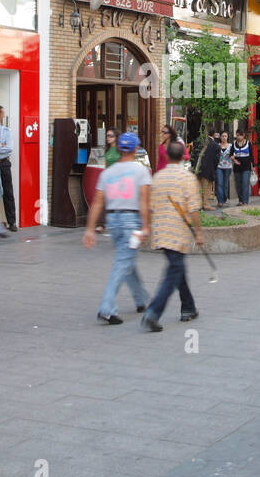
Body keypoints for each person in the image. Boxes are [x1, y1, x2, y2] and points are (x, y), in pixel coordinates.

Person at [83, 131, 151, 324]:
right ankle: (107, 308)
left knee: (126, 259)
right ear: (135, 149)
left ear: (119, 149)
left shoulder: (108, 173)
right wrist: (146, 226)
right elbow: (144, 202)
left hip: (113, 221)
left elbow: (97, 202)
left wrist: (90, 229)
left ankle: (141, 299)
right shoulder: (140, 171)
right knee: (123, 262)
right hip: (131, 220)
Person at [141, 139, 203, 331]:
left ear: (166, 156)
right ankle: (153, 312)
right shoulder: (187, 178)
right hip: (178, 233)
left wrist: (147, 227)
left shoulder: (157, 177)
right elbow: (193, 209)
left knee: (177, 269)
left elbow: (150, 207)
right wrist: (199, 233)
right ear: (184, 156)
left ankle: (188, 307)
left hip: (161, 232)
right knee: (173, 273)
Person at [196, 132, 220, 210]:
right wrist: (214, 167)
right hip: (209, 169)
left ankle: (199, 204)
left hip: (198, 169)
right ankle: (206, 204)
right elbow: (217, 159)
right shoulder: (215, 145)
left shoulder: (198, 142)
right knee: (208, 187)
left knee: (199, 186)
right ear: (213, 135)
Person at [232, 129, 253, 205]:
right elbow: (231, 155)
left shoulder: (248, 143)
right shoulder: (234, 144)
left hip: (246, 167)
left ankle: (245, 201)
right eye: (237, 135)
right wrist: (234, 160)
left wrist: (252, 166)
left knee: (245, 184)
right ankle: (240, 200)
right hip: (237, 167)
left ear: (243, 135)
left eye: (239, 135)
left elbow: (251, 156)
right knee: (238, 185)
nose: (238, 137)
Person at [215, 131, 233, 208]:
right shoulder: (217, 146)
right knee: (219, 183)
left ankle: (224, 197)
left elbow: (234, 155)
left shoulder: (231, 146)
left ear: (227, 137)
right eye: (223, 136)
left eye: (225, 136)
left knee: (225, 184)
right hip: (219, 167)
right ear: (220, 137)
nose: (224, 137)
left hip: (228, 167)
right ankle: (220, 201)